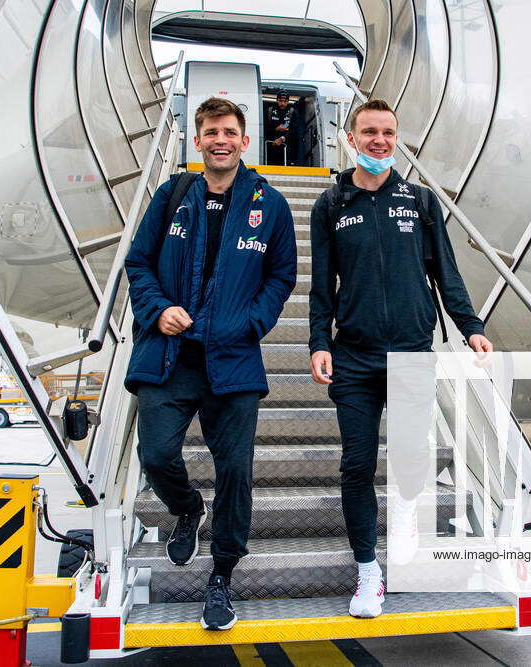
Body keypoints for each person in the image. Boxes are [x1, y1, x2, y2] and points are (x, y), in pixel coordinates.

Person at [307, 98, 493, 619]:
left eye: (388, 132)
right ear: (351, 137)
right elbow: (322, 285)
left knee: (411, 457)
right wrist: (319, 341)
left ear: (397, 137)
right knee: (358, 464)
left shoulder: (421, 201)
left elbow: (447, 275)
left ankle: (407, 511)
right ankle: (369, 571)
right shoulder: (331, 205)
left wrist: (471, 327)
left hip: (412, 352)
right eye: (369, 132)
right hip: (355, 358)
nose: (379, 141)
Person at [124, 97, 297, 630]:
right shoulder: (173, 195)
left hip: (233, 360)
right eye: (210, 132)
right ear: (196, 141)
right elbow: (138, 262)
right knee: (155, 454)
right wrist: (157, 310)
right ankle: (186, 509)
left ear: (245, 141)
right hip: (170, 357)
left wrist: (249, 324)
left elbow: (281, 277)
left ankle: (221, 576)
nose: (220, 140)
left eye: (229, 132)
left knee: (235, 473)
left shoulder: (270, 204)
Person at [265, 89, 292, 165]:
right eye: (280, 101)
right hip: (271, 146)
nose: (282, 103)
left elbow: (296, 131)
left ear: (288, 101)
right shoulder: (269, 111)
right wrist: (276, 129)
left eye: (285, 101)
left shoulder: (293, 112)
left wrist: (282, 138)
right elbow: (262, 129)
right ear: (277, 100)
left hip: (287, 148)